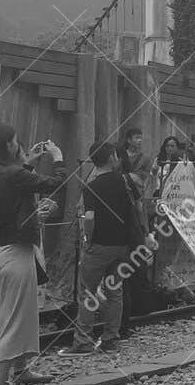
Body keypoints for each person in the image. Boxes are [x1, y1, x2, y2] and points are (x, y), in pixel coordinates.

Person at [0, 124, 65, 385]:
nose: (17, 144)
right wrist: (57, 158)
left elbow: (14, 179)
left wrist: (27, 163)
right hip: (18, 254)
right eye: (13, 142)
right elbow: (56, 183)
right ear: (5, 147)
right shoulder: (14, 174)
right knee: (15, 323)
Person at [59, 141, 141, 356]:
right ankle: (110, 339)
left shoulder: (92, 187)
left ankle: (83, 342)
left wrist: (88, 240)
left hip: (99, 246)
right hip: (123, 246)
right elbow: (138, 208)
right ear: (113, 157)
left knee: (87, 293)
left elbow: (90, 217)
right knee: (115, 291)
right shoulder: (125, 181)